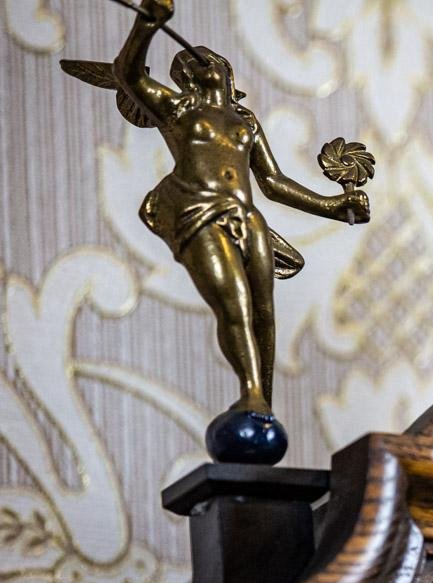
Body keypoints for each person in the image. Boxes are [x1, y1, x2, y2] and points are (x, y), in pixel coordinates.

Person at [110, 0, 370, 415]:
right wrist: (147, 25)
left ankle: (263, 401)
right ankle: (248, 392)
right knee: (232, 304)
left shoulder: (244, 121)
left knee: (264, 311)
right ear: (184, 80)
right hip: (200, 213)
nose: (196, 61)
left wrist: (334, 206)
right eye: (186, 65)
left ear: (226, 72)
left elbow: (273, 182)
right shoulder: (179, 110)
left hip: (247, 217)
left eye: (205, 58)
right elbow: (129, 75)